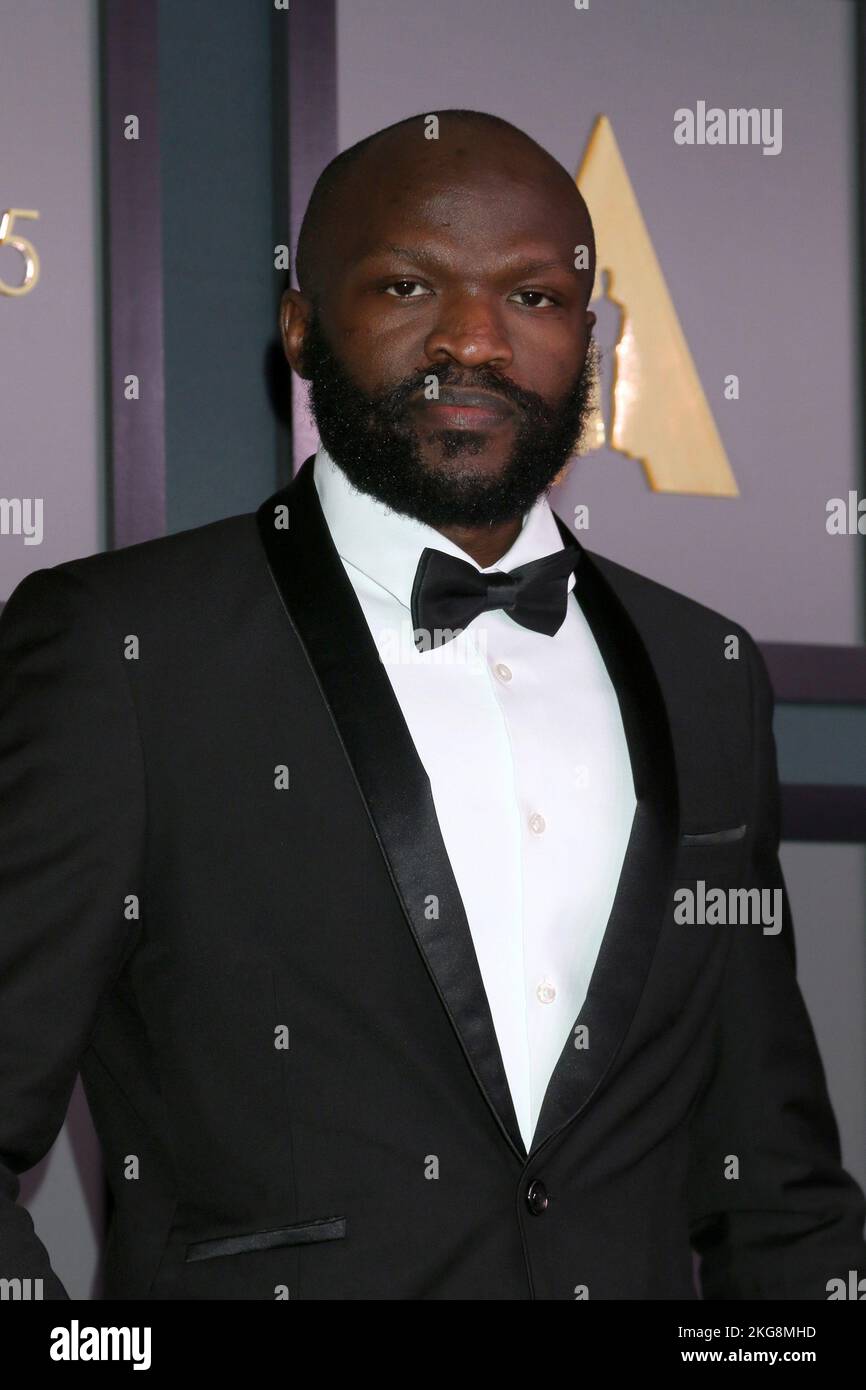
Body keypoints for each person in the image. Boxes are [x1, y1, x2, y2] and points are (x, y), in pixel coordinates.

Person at [1, 108, 864, 1301]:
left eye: (533, 298)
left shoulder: (701, 668)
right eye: (409, 284)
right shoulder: (125, 650)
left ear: (593, 341)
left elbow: (775, 1189)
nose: (474, 340)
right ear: (300, 325)